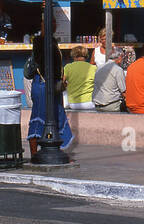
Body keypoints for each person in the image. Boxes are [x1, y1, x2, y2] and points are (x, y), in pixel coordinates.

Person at [28, 21, 71, 155]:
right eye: (49, 23)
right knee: (39, 118)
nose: (53, 26)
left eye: (54, 23)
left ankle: (56, 151)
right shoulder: (39, 41)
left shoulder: (53, 40)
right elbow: (42, 60)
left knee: (57, 116)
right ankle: (35, 154)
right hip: (42, 85)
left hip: (53, 85)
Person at [92, 46, 131, 111]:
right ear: (120, 57)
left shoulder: (99, 68)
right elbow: (123, 91)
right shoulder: (118, 70)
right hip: (111, 105)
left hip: (97, 104)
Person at [63, 45, 97, 110]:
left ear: (73, 55)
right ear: (86, 55)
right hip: (90, 103)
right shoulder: (93, 68)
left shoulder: (68, 67)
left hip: (73, 104)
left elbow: (62, 83)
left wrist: (67, 85)